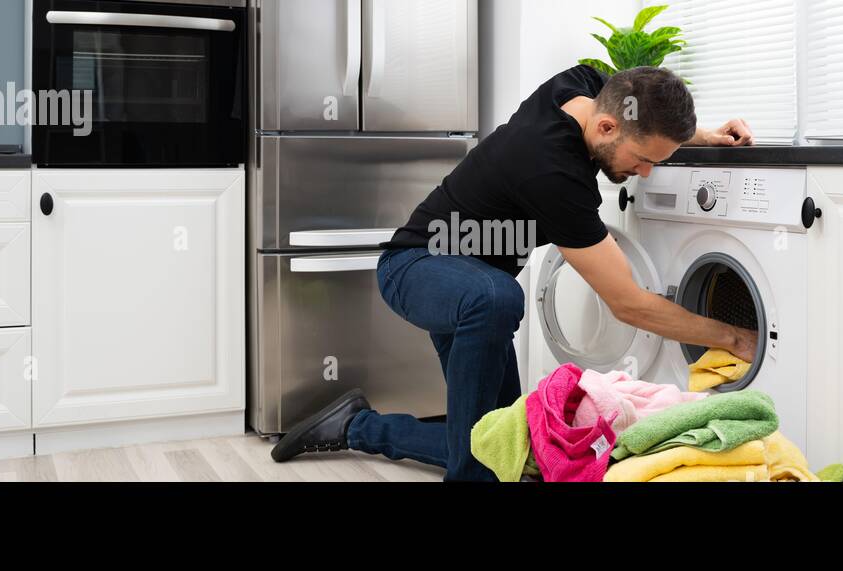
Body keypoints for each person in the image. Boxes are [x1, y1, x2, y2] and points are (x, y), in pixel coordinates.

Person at [270, 65, 757, 481]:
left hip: (476, 291)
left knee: (514, 448)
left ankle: (355, 426)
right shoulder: (554, 174)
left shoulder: (580, 87)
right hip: (418, 268)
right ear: (606, 128)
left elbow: (637, 109)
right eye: (645, 160)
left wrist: (702, 134)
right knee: (498, 306)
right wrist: (731, 337)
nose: (646, 172)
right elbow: (626, 302)